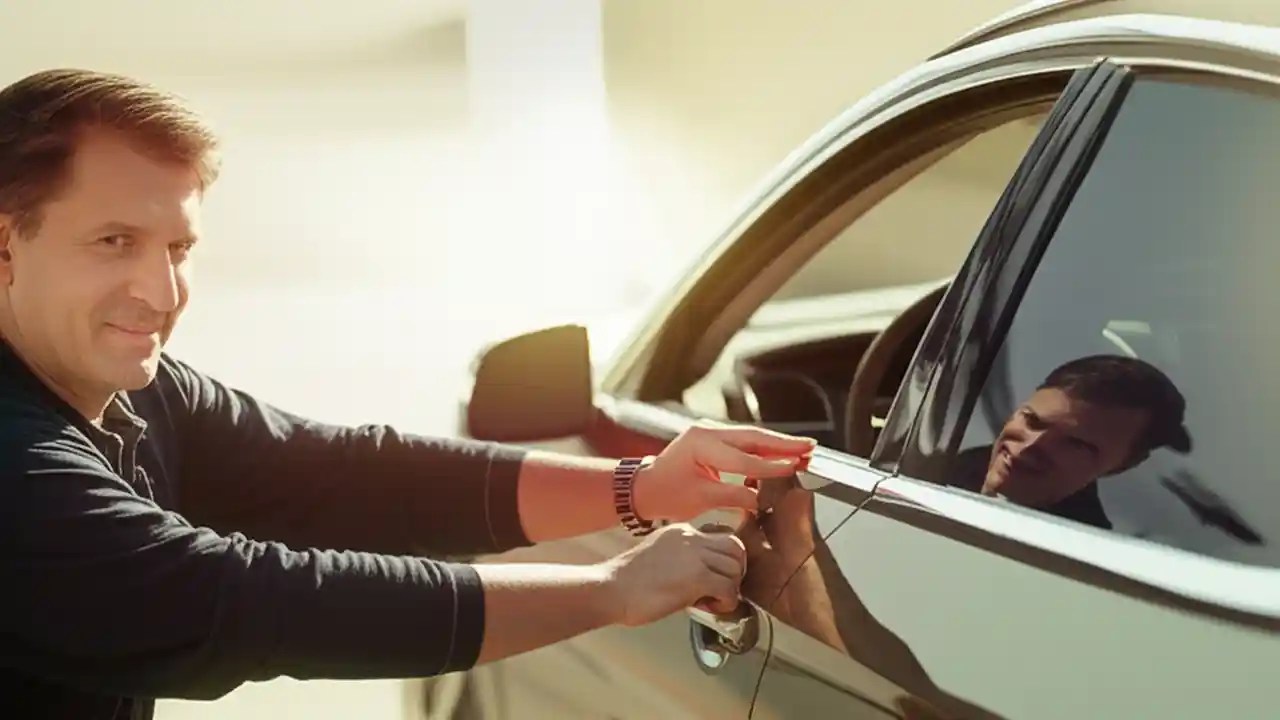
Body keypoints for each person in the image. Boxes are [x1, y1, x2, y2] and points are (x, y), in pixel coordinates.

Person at [0, 69, 817, 719]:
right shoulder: (17, 462)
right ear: (6, 244)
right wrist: (609, 591)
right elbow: (236, 603)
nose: (163, 292)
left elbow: (337, 475)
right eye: (115, 244)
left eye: (179, 247)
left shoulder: (127, 386)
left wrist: (639, 488)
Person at [948, 354, 1191, 528]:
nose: (1029, 446)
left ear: (1122, 465)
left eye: (1075, 444)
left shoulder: (1084, 554)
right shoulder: (937, 465)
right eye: (1032, 421)